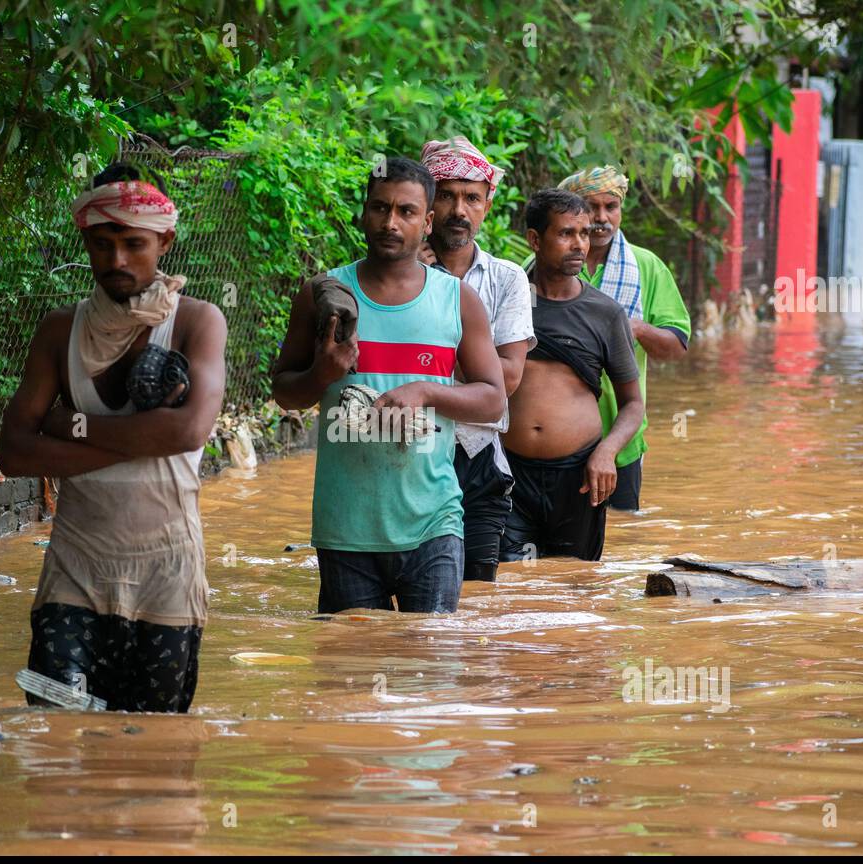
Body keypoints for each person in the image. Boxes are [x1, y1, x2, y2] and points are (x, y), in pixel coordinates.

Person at [0, 162, 227, 712]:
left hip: (168, 574)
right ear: (86, 239)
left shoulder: (198, 321)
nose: (117, 260)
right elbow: (12, 452)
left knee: (154, 755)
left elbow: (191, 429)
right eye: (102, 244)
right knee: (54, 734)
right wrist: (148, 436)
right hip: (74, 571)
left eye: (133, 243)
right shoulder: (61, 329)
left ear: (165, 241)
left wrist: (68, 426)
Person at [271, 156, 505, 613]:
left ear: (428, 222)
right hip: (346, 527)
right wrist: (323, 373)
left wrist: (427, 391)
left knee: (432, 667)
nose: (390, 222)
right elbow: (284, 391)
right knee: (352, 671)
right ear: (363, 213)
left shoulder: (457, 300)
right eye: (380, 208)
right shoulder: (323, 294)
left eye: (406, 211)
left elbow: (493, 400)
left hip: (433, 522)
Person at [500, 189, 643, 562]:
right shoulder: (505, 302)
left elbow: (633, 405)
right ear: (535, 239)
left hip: (580, 479)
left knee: (575, 589)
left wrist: (606, 453)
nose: (580, 244)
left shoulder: (605, 313)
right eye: (566, 234)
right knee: (508, 591)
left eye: (584, 233)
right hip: (509, 474)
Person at [417, 135, 534, 583]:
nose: (458, 211)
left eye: (471, 198)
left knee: (477, 599)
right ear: (427, 204)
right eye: (446, 196)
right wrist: (419, 279)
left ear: (487, 205)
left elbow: (506, 380)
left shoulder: (508, 280)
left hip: (480, 458)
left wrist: (442, 298)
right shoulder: (393, 278)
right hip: (410, 453)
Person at [556, 165, 692, 510]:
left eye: (611, 207)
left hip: (620, 441)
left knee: (620, 545)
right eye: (590, 207)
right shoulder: (542, 265)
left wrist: (635, 328)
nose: (601, 218)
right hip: (554, 440)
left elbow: (676, 349)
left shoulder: (646, 267)